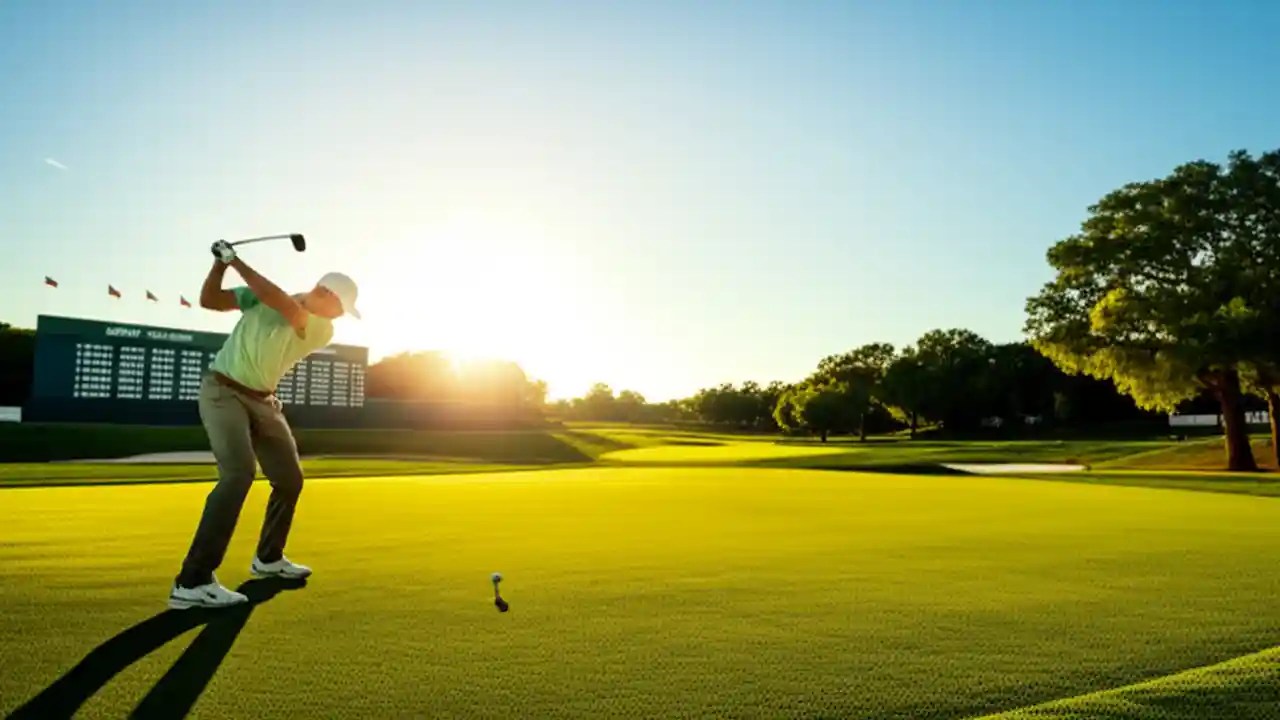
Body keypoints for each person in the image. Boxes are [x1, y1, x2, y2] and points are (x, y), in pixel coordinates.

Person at [168, 240, 359, 610]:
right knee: (238, 475)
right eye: (341, 308)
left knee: (289, 480)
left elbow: (283, 304)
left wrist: (235, 260)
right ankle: (192, 581)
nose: (340, 316)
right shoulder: (259, 297)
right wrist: (220, 265)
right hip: (222, 391)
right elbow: (210, 300)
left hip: (264, 402)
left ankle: (268, 559)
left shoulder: (321, 328)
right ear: (326, 294)